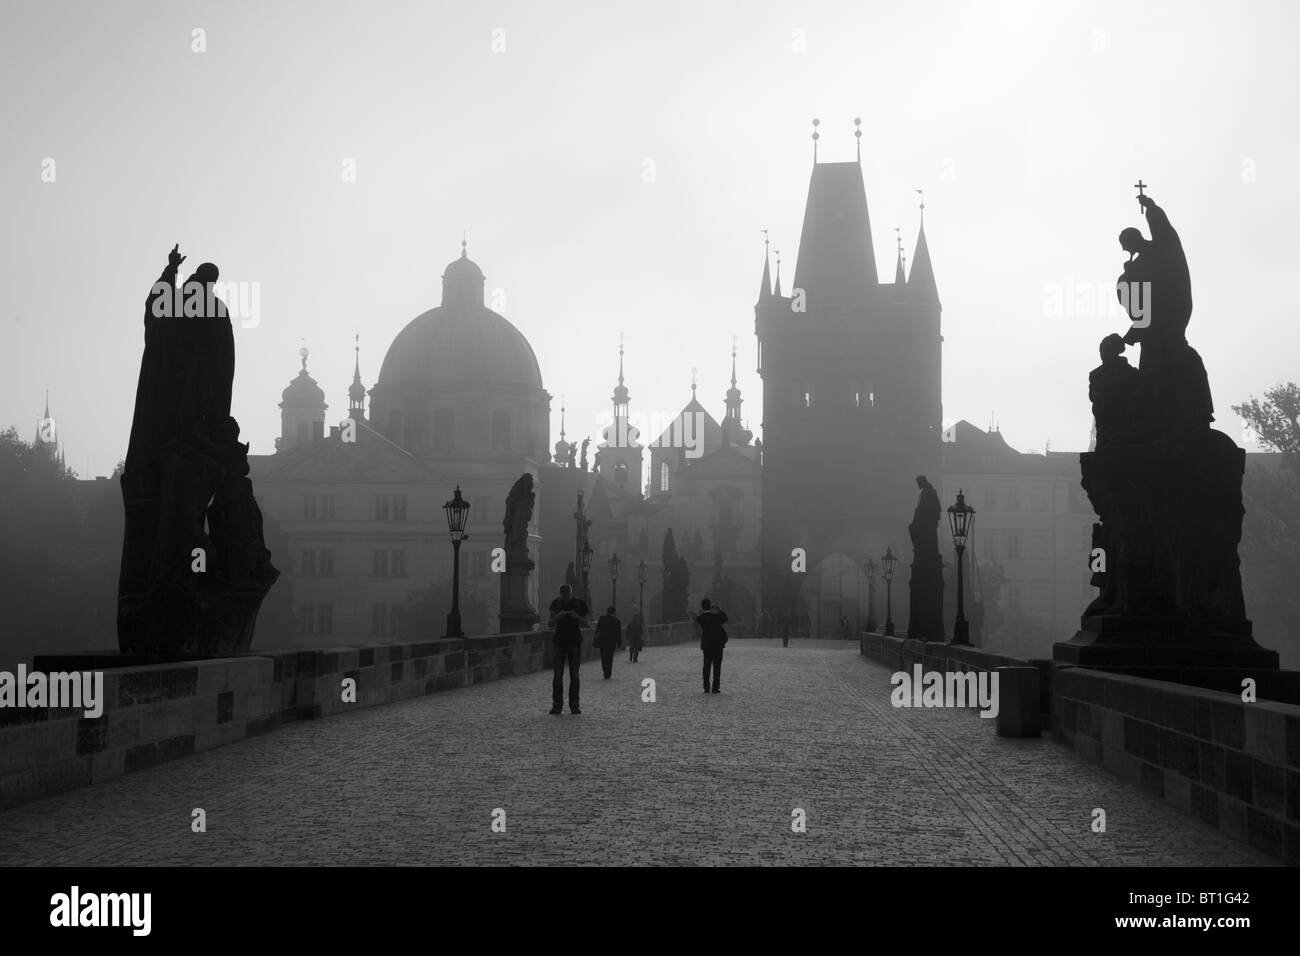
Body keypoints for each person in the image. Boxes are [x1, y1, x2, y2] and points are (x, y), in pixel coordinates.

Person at [547, 584, 588, 714]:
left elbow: (586, 622)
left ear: (571, 593)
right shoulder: (556, 603)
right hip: (559, 641)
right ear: (561, 593)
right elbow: (550, 623)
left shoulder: (580, 603)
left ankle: (574, 705)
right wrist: (560, 615)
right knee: (558, 676)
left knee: (574, 676)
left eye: (567, 594)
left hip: (574, 641)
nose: (565, 596)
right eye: (563, 594)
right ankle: (557, 705)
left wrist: (576, 616)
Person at [696, 598, 728, 693]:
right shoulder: (716, 616)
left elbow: (700, 616)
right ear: (710, 606)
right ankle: (715, 687)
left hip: (707, 645)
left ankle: (706, 687)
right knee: (717, 666)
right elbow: (725, 618)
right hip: (717, 645)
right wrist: (718, 610)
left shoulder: (700, 618)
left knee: (706, 666)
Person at [595, 606, 622, 678]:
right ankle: (608, 672)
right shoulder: (616, 621)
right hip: (611, 642)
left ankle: (605, 671)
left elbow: (598, 630)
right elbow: (618, 633)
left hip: (603, 641)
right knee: (610, 658)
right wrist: (619, 643)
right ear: (614, 612)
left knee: (603, 657)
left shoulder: (602, 618)